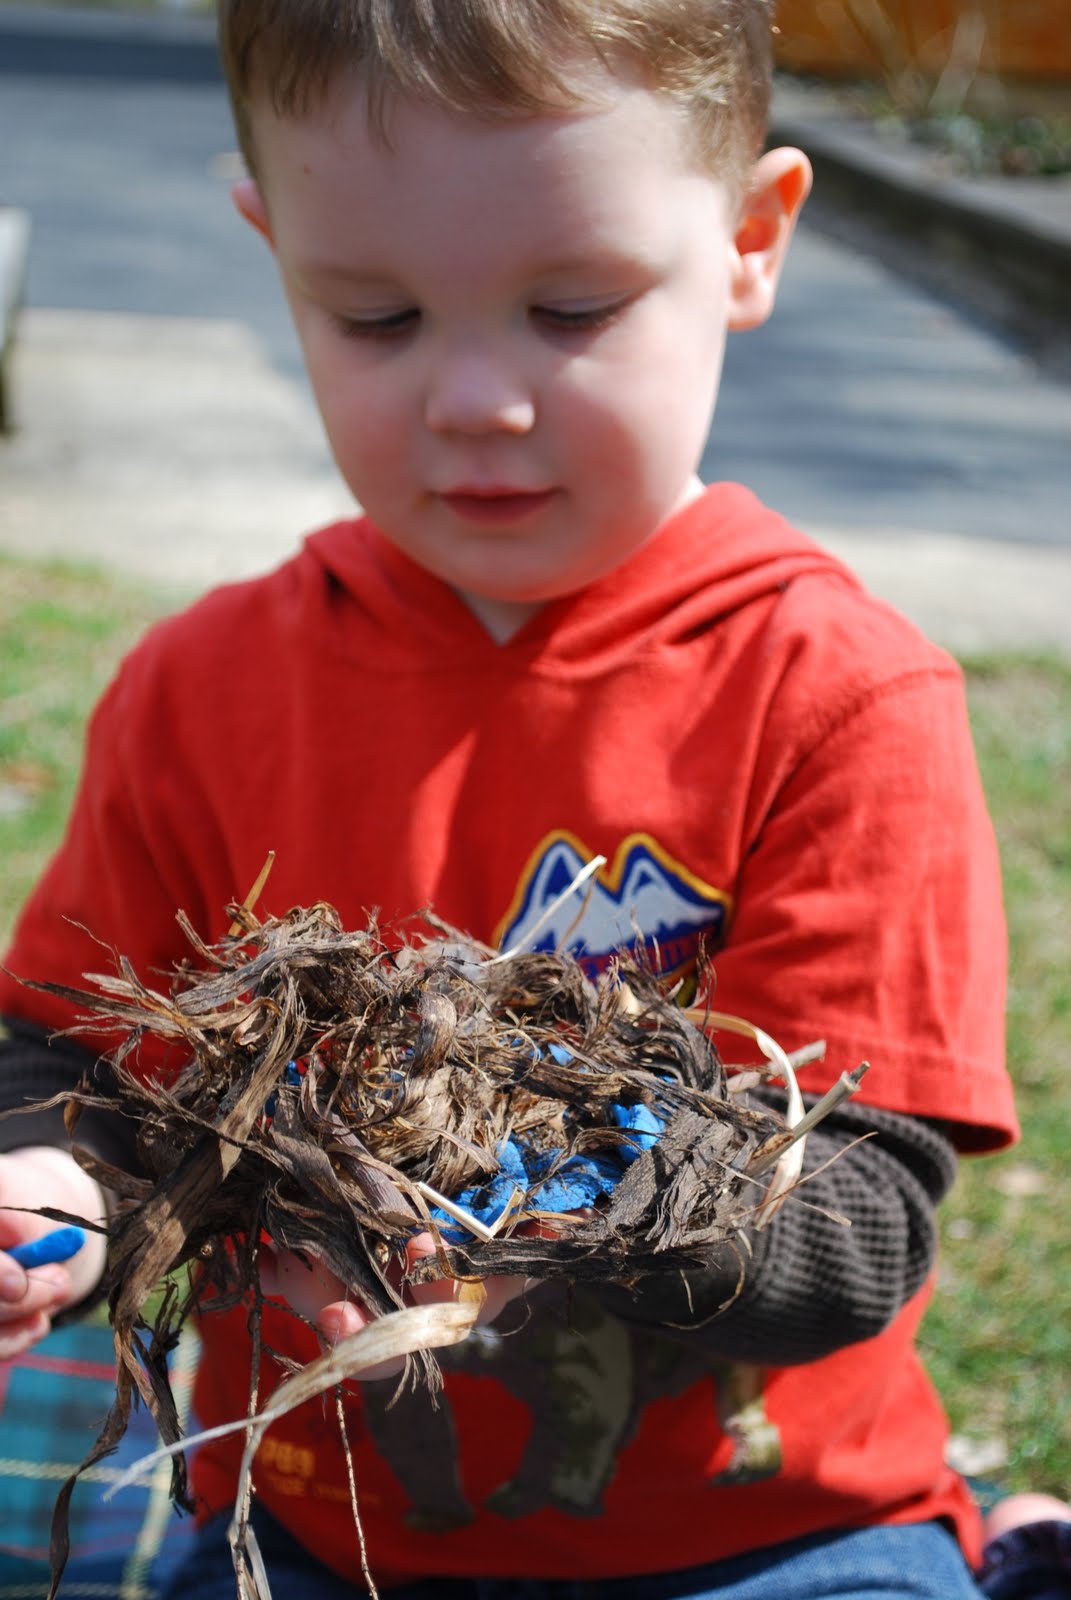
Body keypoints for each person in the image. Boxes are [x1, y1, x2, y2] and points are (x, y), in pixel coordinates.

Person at [0, 1, 1062, 1596]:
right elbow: (75, 1063)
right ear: (271, 244)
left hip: (771, 1541)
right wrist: (54, 1185)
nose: (479, 400)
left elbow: (858, 1222)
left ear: (753, 243)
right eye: (375, 318)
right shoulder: (199, 687)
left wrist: (531, 1185)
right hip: (318, 1530)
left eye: (572, 307)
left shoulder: (837, 697)